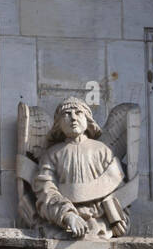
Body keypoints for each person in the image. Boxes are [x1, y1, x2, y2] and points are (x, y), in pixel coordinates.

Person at [33, 99, 129, 240]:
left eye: (78, 113)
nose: (73, 117)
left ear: (87, 119)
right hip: (63, 225)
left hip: (101, 225)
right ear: (58, 124)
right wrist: (67, 215)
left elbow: (117, 187)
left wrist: (117, 218)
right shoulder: (51, 154)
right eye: (66, 114)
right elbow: (45, 191)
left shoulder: (103, 151)